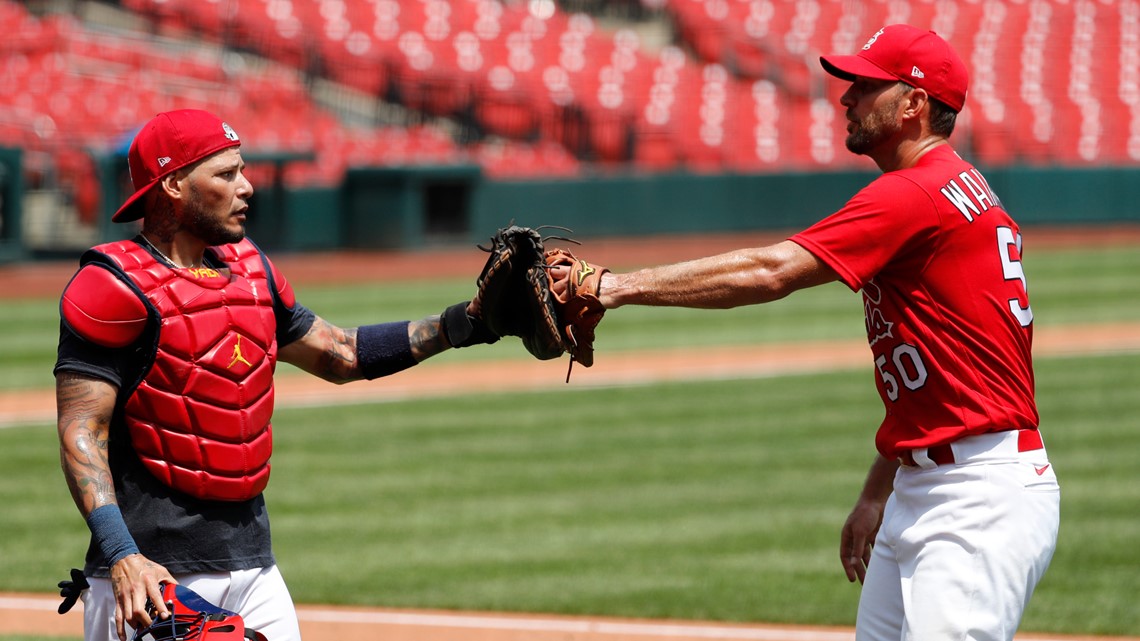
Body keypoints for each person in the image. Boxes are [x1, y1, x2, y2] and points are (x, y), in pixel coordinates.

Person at [582, 24, 1060, 641]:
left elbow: (771, 270)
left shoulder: (913, 194)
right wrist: (877, 489)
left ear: (913, 103)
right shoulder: (959, 186)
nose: (847, 97)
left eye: (865, 85)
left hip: (977, 497)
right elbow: (948, 380)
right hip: (932, 478)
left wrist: (612, 287)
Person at [54, 109, 499, 641]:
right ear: (173, 183)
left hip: (253, 566)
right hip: (150, 579)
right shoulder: (111, 285)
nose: (246, 188)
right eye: (226, 174)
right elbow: (83, 429)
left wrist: (465, 322)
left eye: (243, 171)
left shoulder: (251, 270)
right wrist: (122, 554)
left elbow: (343, 353)